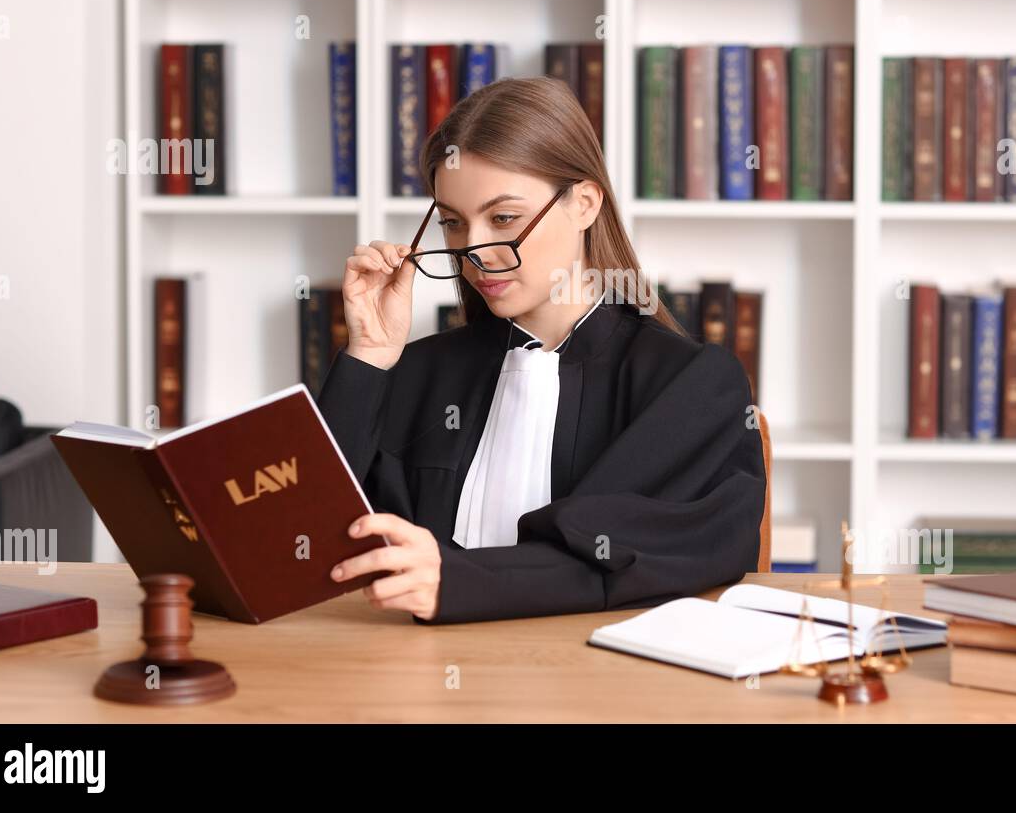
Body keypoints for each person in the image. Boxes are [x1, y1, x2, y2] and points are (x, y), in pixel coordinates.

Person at [317, 75, 766, 624]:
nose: (475, 251)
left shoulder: (690, 386)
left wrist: (462, 581)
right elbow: (311, 542)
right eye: (455, 224)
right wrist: (369, 356)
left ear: (584, 203)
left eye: (503, 218)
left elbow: (674, 556)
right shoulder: (417, 372)